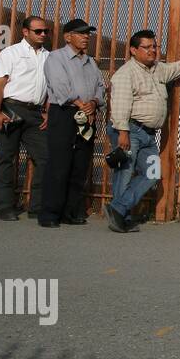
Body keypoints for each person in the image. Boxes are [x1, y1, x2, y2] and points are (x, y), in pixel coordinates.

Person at [103, 30, 180, 233]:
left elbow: (177, 67)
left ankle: (117, 209)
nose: (152, 50)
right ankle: (122, 217)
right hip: (130, 130)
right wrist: (123, 132)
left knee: (153, 173)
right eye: (147, 47)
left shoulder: (157, 69)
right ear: (133, 50)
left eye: (154, 46)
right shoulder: (125, 74)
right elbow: (120, 104)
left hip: (148, 134)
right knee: (125, 173)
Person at [39, 18, 106, 228]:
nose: (86, 37)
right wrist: (80, 103)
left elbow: (101, 87)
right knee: (59, 164)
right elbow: (59, 86)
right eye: (81, 33)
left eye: (88, 33)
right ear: (68, 37)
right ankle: (50, 213)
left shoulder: (90, 62)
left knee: (80, 163)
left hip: (87, 116)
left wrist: (94, 103)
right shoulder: (55, 58)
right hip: (65, 113)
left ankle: (71, 211)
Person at [0, 15, 51, 220]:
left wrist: (47, 111)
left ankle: (37, 207)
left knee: (45, 157)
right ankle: (5, 207)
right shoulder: (10, 53)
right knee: (7, 157)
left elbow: (51, 88)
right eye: (38, 31)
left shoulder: (48, 57)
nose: (43, 34)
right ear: (25, 32)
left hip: (35, 112)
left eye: (45, 31)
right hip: (10, 108)